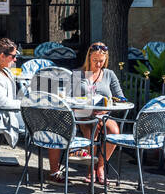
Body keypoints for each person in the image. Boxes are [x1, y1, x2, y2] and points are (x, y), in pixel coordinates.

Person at [47, 41, 126, 183]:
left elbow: (120, 96)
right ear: (89, 58)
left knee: (114, 130)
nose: (98, 64)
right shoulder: (78, 74)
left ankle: (100, 167)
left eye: (101, 61)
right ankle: (91, 171)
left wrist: (111, 104)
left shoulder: (109, 74)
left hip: (103, 114)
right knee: (91, 132)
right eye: (95, 60)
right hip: (82, 114)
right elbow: (70, 98)